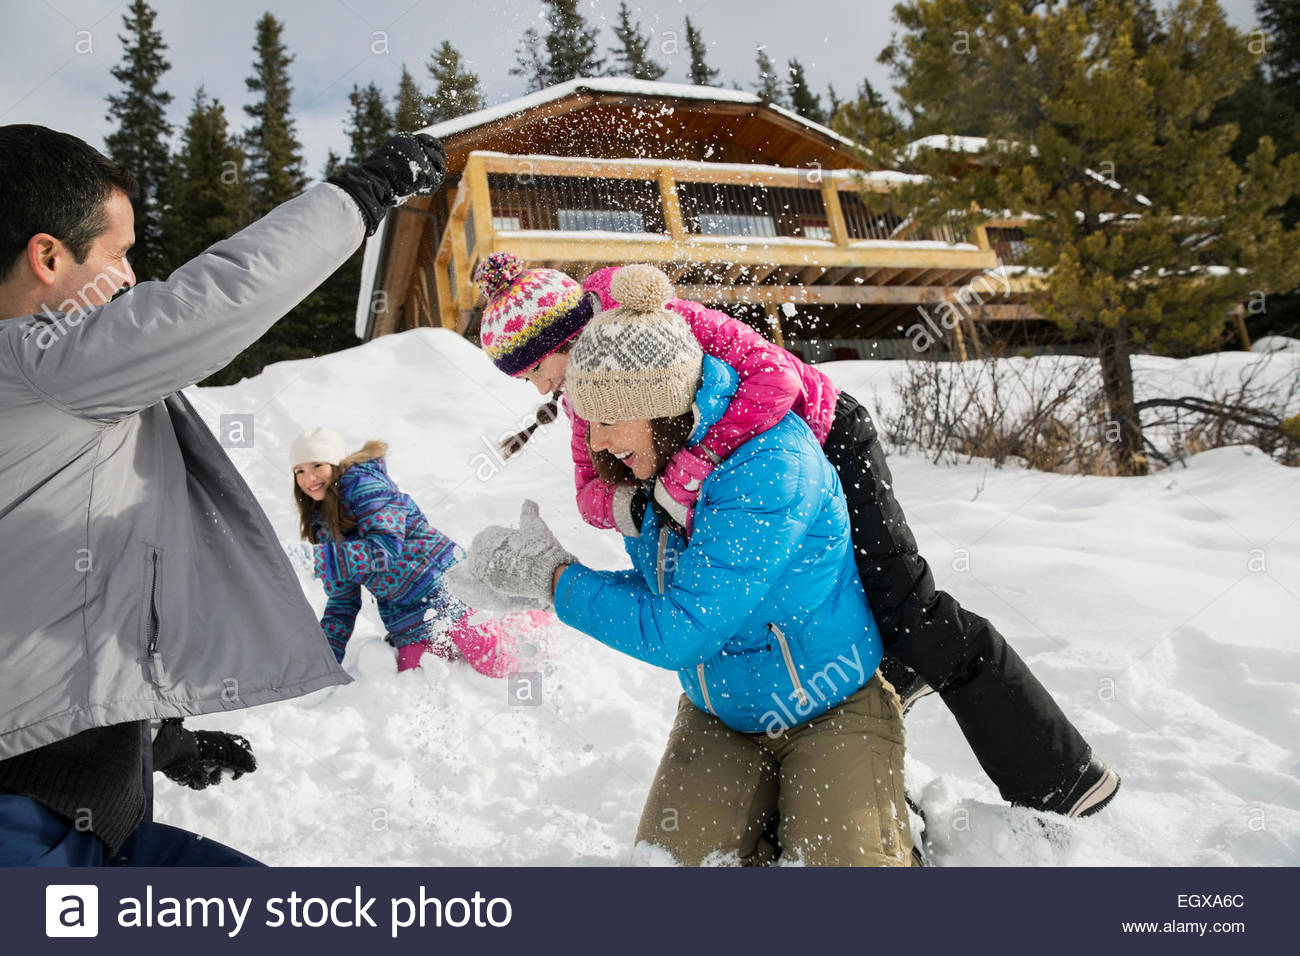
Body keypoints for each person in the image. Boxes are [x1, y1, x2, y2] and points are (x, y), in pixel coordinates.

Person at [472, 252, 1119, 819]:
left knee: (906, 609)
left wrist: (688, 475)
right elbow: (592, 490)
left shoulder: (658, 325)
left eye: (534, 370)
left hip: (825, 439)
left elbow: (775, 377)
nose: (539, 389)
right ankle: (876, 713)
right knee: (817, 618)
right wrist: (644, 504)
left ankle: (1062, 779)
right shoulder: (596, 398)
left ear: (564, 337)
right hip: (749, 491)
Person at [0, 123, 446, 865]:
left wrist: (160, 737)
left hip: (84, 811)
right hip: (27, 825)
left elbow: (69, 597)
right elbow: (215, 297)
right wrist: (363, 196)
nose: (133, 279)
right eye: (118, 255)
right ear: (48, 258)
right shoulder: (39, 361)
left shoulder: (60, 397)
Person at [453, 265, 915, 866]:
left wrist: (556, 580)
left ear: (660, 404)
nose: (597, 446)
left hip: (828, 706)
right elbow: (666, 590)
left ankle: (883, 812)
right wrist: (540, 581)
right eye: (587, 423)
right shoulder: (643, 466)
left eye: (609, 422)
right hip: (718, 709)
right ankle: (775, 824)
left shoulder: (766, 465)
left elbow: (682, 627)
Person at [287, 428, 522, 676]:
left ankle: (528, 620)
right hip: (406, 615)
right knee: (413, 675)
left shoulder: (364, 486)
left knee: (493, 663)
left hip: (448, 590)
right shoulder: (323, 526)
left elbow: (385, 548)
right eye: (299, 471)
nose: (308, 478)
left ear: (335, 463)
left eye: (316, 466)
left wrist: (317, 558)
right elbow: (342, 602)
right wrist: (324, 663)